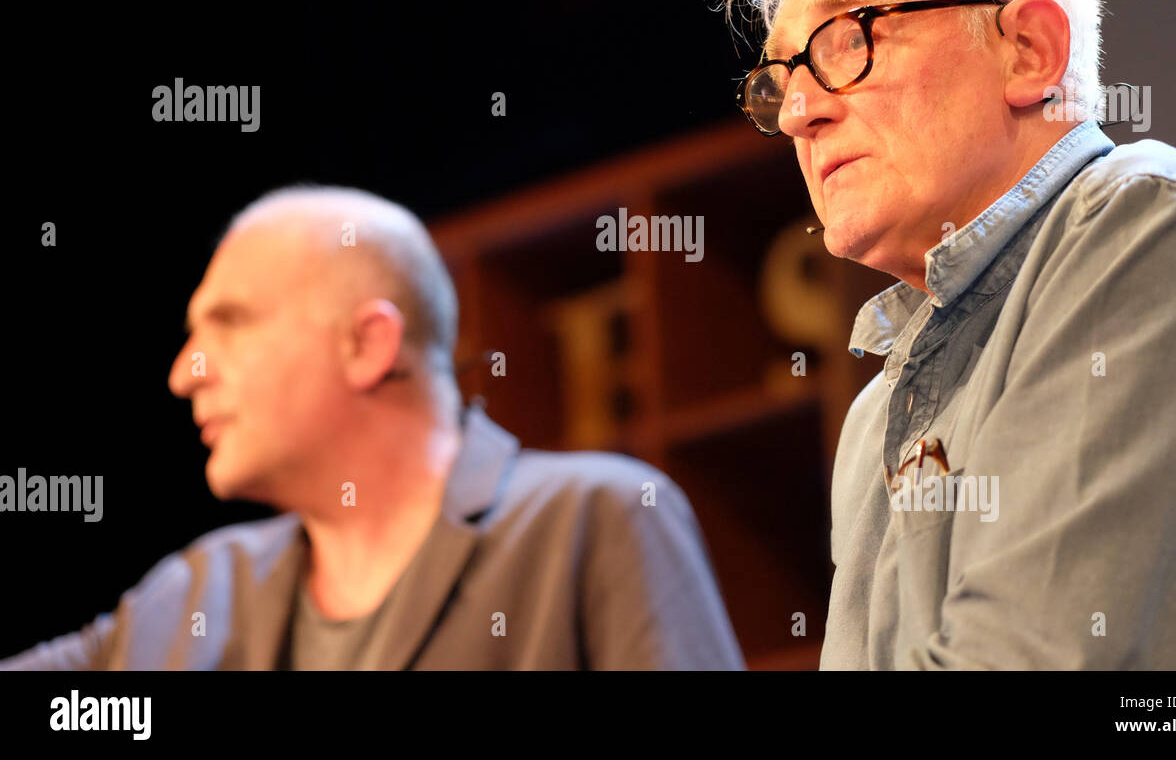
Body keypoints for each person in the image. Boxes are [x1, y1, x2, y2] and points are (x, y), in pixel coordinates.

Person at [722, 0, 1176, 669]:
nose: (800, 113)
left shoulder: (1155, 221)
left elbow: (1034, 657)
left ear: (1030, 51)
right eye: (779, 82)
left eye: (847, 41)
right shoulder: (874, 414)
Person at [2, 186, 744, 670]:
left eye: (227, 324)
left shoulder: (589, 521)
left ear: (367, 344)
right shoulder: (198, 593)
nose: (184, 373)